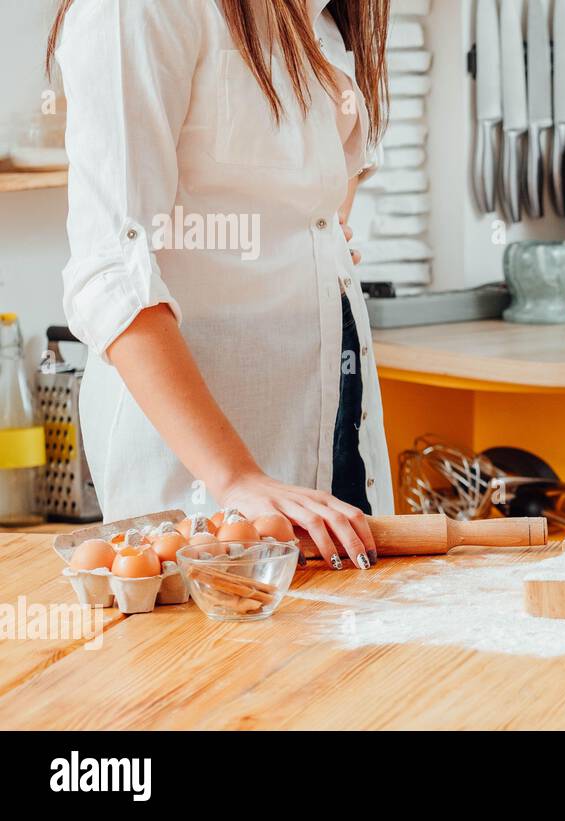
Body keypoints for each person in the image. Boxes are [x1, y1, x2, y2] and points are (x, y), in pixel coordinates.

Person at [50, 0, 394, 568]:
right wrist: (236, 476)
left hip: (339, 431)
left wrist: (315, 239)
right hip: (203, 481)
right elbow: (110, 274)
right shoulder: (135, 10)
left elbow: (325, 193)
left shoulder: (331, 17)